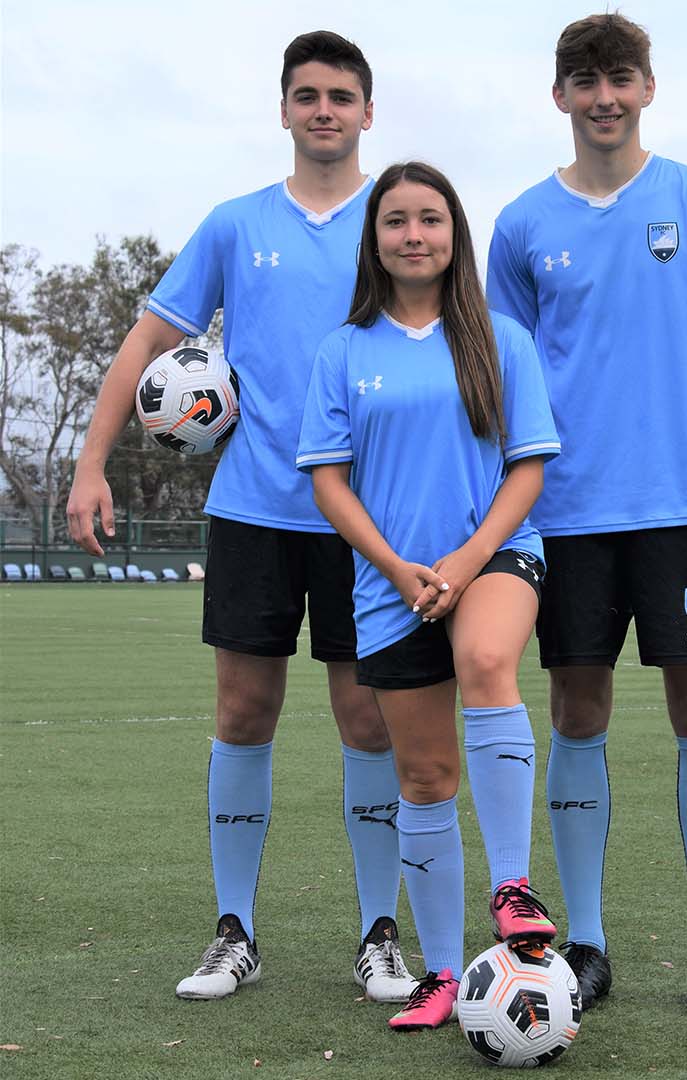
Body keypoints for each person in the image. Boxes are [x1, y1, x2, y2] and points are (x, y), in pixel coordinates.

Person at [64, 31, 418, 1004]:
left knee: (366, 718)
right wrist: (92, 464)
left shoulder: (399, 222)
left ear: (367, 111)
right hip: (255, 511)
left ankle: (380, 935)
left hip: (371, 520)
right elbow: (146, 340)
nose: (323, 110)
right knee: (243, 712)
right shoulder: (235, 224)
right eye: (306, 94)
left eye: (340, 95)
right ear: (284, 109)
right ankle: (235, 932)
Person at [486, 13, 687, 1017]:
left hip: (682, 507)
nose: (604, 95)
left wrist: (675, 435)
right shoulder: (520, 225)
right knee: (577, 709)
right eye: (584, 79)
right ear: (559, 95)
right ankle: (588, 945)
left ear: (647, 86)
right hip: (564, 513)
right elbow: (508, 377)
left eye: (620, 76)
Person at [298, 160, 563, 1031]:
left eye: (432, 219)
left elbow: (527, 465)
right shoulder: (344, 350)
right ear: (374, 240)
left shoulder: (499, 337)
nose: (415, 235)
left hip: (492, 556)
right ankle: (445, 974)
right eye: (396, 221)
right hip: (390, 586)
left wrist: (467, 555)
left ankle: (514, 890)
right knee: (423, 777)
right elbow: (330, 484)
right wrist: (399, 567)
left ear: (456, 236)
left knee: (488, 658)